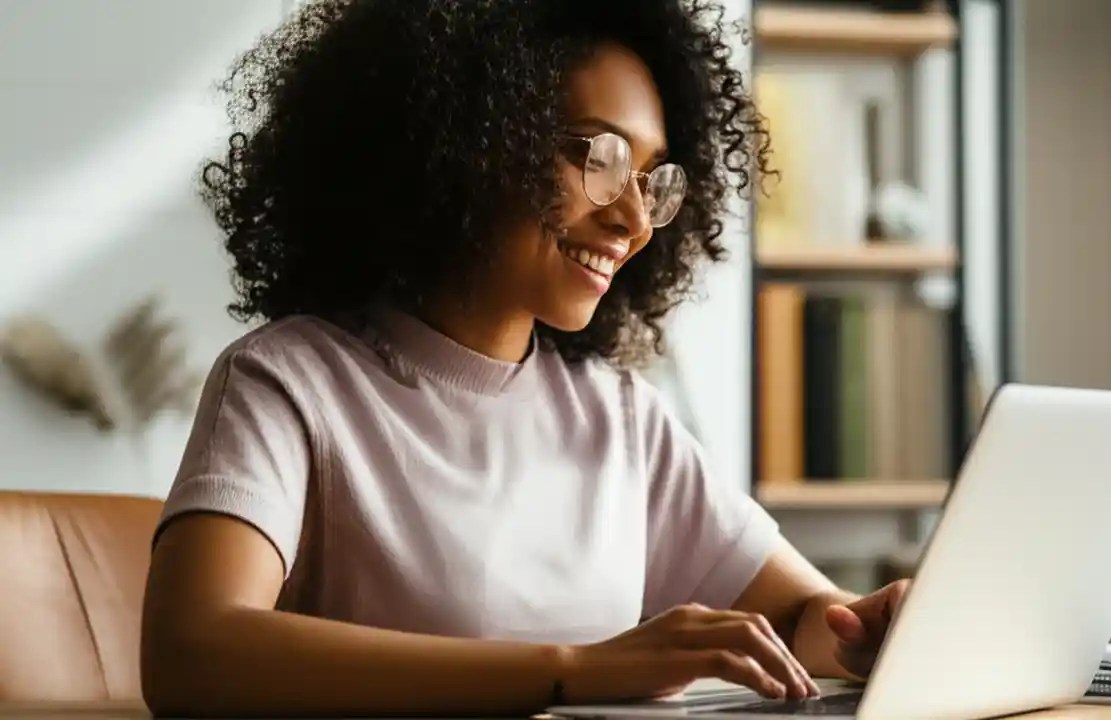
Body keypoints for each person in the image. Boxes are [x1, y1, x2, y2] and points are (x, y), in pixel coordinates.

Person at [139, 1, 910, 717]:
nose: (635, 219)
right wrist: (574, 668)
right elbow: (192, 650)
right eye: (600, 158)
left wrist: (866, 627)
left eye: (653, 180)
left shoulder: (617, 415)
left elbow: (806, 616)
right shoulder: (291, 380)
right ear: (469, 139)